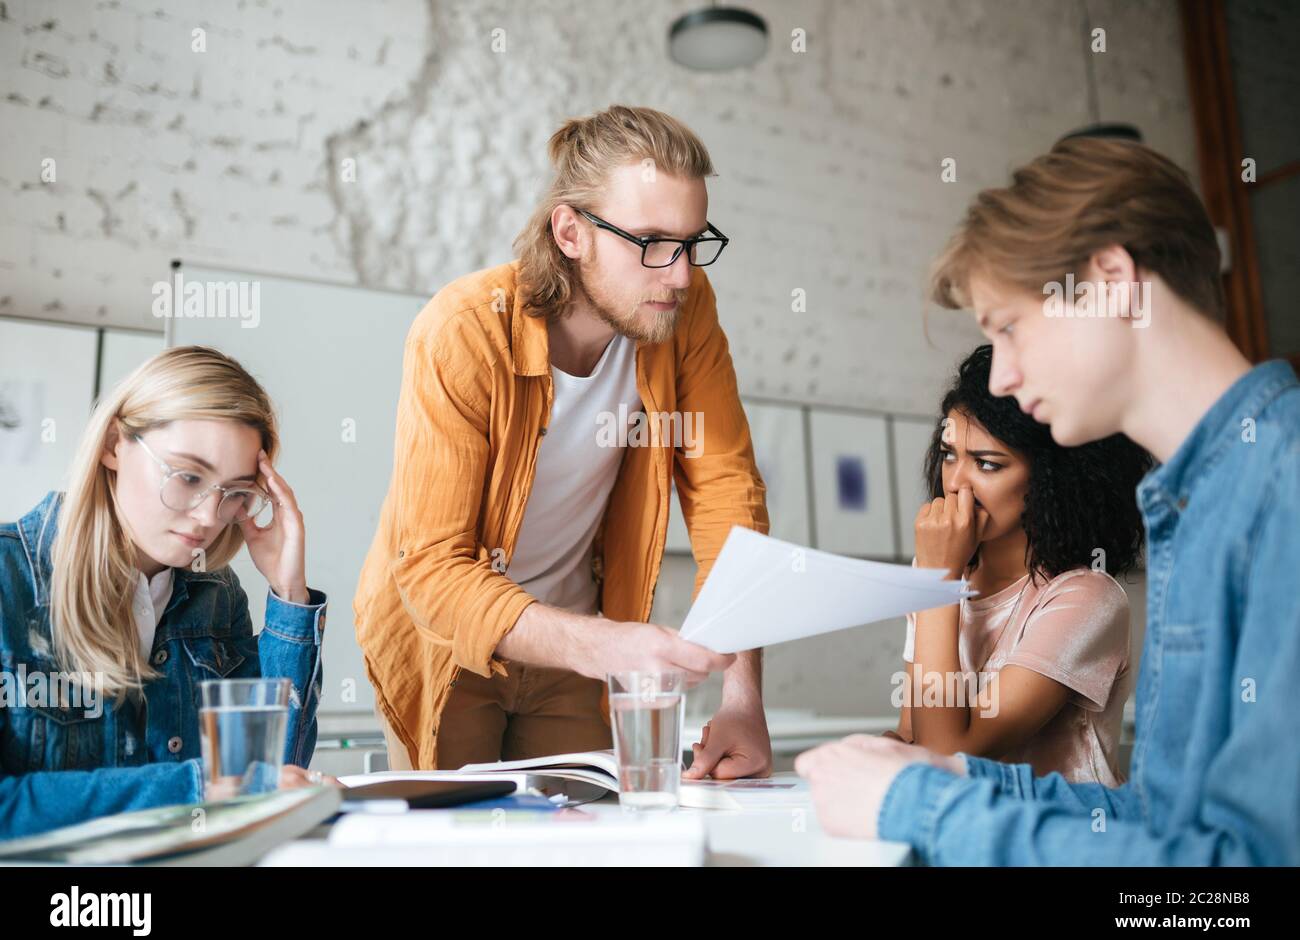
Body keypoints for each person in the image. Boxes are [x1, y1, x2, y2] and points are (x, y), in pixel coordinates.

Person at [797, 136, 1300, 865]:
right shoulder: (1206, 499)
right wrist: (932, 775)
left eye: (1008, 328)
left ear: (1112, 281)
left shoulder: (1279, 487)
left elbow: (1232, 889)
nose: (998, 378)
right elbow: (1168, 826)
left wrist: (920, 803)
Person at [354, 105, 772, 777]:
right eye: (653, 242)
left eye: (693, 242)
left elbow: (727, 495)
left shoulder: (685, 312)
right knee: (460, 841)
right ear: (571, 232)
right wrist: (605, 646)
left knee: (578, 835)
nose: (682, 274)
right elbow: (433, 570)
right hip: (453, 644)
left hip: (578, 644)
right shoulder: (462, 331)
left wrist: (742, 696)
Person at [0, 346, 331, 839]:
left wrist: (288, 594)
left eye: (235, 492)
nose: (208, 516)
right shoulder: (11, 577)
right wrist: (194, 791)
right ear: (114, 444)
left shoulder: (218, 597)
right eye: (188, 476)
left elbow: (267, 787)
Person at [891, 344, 1149, 786]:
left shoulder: (1087, 599)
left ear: (1052, 479)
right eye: (950, 454)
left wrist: (937, 582)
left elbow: (948, 759)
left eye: (987, 464)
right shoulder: (942, 570)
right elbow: (913, 735)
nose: (954, 484)